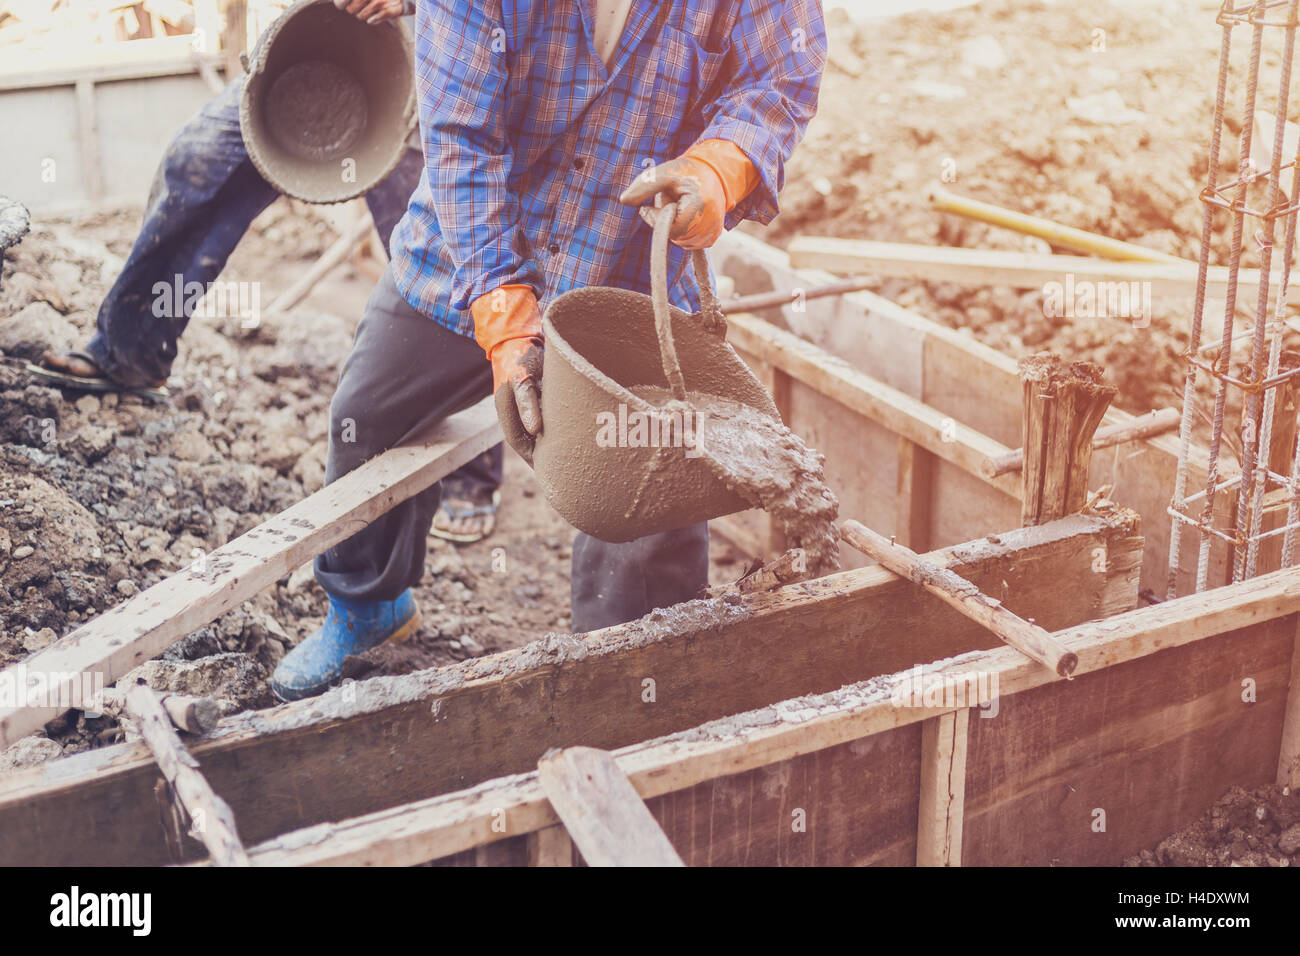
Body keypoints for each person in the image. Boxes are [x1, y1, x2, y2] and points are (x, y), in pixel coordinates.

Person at [270, 0, 827, 701]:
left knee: (647, 486)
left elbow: (780, 81)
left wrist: (720, 169)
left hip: (627, 269)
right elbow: (463, 141)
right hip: (466, 256)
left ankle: (630, 677)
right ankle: (368, 606)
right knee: (369, 415)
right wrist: (505, 318)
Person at [35, 0, 505, 541]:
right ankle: (132, 352)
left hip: (434, 51)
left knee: (445, 248)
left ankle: (470, 470)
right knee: (200, 156)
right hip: (318, 39)